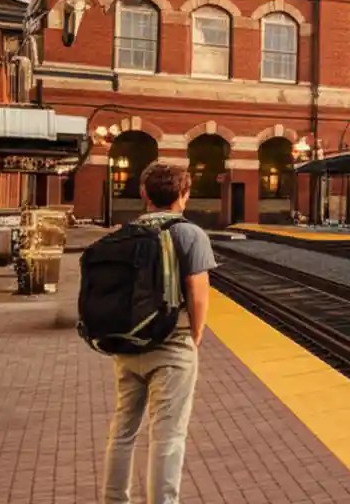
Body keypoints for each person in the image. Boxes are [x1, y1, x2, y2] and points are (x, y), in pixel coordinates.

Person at [101, 162, 217, 504]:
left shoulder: (125, 233)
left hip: (128, 344)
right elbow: (198, 293)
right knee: (167, 437)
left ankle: (114, 500)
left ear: (143, 194)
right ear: (184, 195)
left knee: (122, 432)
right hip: (172, 344)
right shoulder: (189, 234)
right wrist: (194, 336)